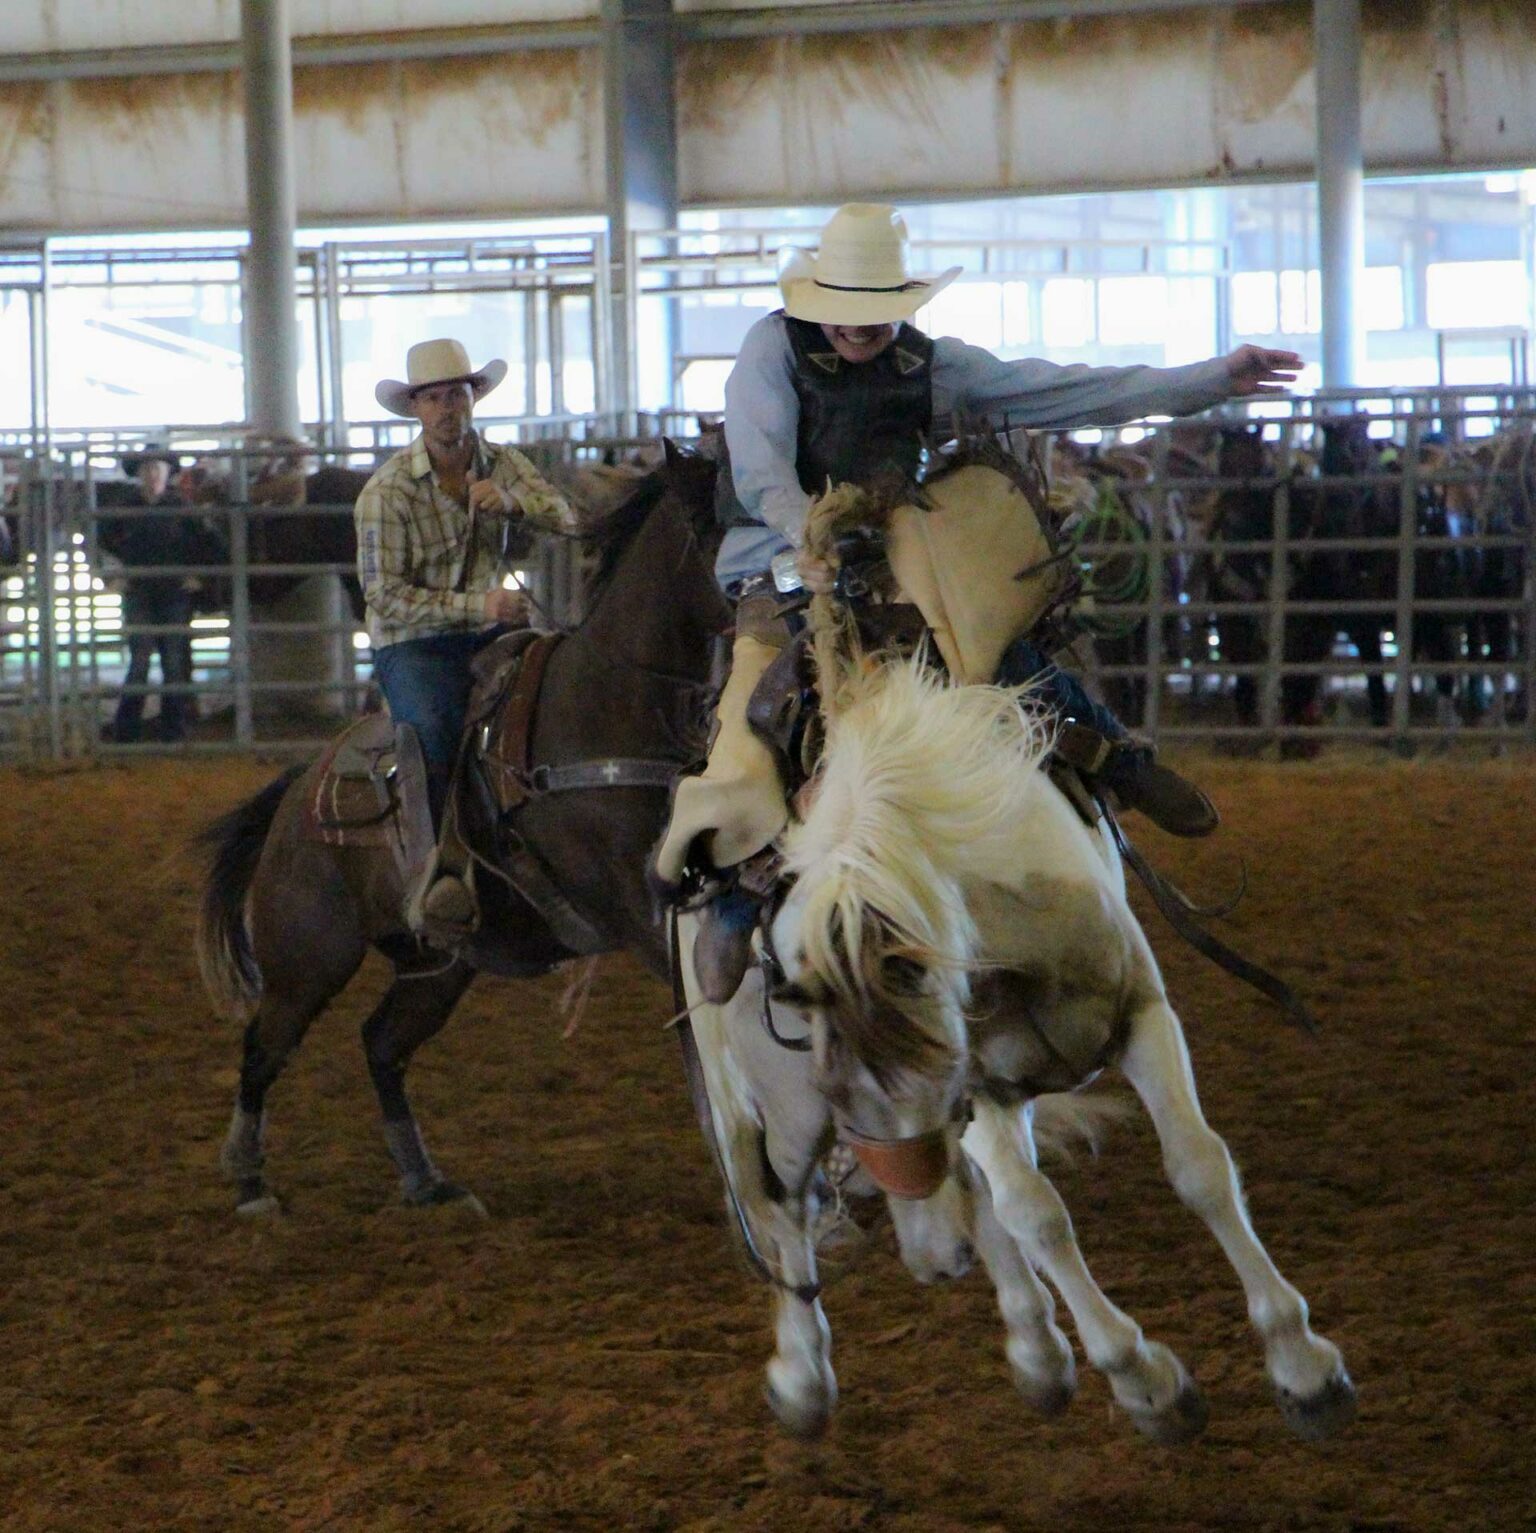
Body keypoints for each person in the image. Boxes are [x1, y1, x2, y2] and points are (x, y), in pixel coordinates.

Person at [654, 203, 1303, 985]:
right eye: (849, 313)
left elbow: (1066, 391)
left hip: (893, 561)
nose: (862, 330)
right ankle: (733, 890)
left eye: (879, 313)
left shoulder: (930, 366)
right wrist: (808, 535)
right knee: (755, 712)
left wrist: (1210, 380)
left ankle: (1115, 756)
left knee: (996, 650)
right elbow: (762, 470)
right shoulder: (772, 350)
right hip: (778, 564)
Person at [356, 338, 577, 941]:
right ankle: (433, 871)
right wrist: (475, 603)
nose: (447, 408)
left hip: (491, 627)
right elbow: (383, 596)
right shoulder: (388, 491)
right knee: (431, 728)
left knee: (556, 694)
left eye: (456, 394)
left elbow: (568, 516)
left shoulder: (502, 464)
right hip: (413, 641)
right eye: (434, 398)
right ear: (418, 410)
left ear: (472, 399)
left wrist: (514, 501)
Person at [101, 445, 207, 744]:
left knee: (169, 661)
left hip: (168, 593)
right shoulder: (129, 508)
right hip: (144, 591)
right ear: (139, 473)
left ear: (167, 473)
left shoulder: (178, 508)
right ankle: (154, 729)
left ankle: (150, 728)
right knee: (143, 660)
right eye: (148, 468)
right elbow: (101, 544)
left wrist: (199, 574)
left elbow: (208, 542)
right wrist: (112, 573)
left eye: (157, 468)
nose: (152, 474)